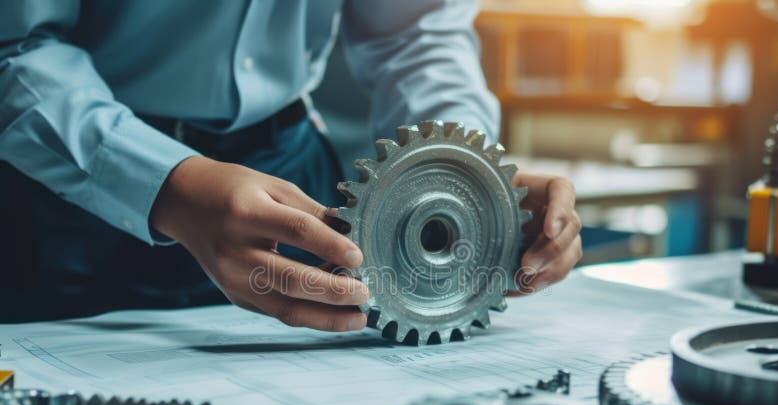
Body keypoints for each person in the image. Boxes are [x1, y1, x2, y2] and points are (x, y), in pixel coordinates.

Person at [0, 1, 582, 329]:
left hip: (290, 181)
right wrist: (164, 185)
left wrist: (468, 170)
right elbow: (13, 48)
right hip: (67, 184)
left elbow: (413, 33)